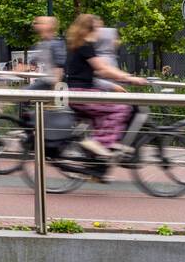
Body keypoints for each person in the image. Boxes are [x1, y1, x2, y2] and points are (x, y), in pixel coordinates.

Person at [63, 13, 149, 159]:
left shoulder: (77, 46)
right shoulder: (85, 46)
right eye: (97, 28)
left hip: (76, 93)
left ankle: (96, 166)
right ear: (89, 29)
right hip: (82, 94)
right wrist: (131, 79)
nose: (100, 32)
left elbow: (104, 68)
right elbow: (102, 69)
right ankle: (101, 143)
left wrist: (126, 77)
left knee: (103, 115)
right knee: (122, 108)